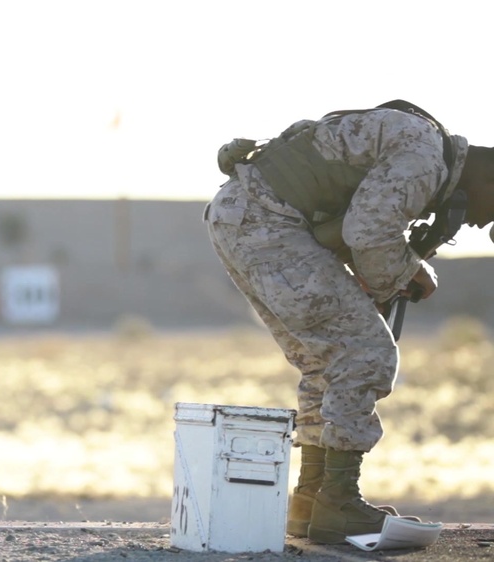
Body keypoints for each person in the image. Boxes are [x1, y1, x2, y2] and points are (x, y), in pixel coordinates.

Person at [205, 100, 494, 544]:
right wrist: (406, 272)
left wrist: (392, 272)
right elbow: (369, 234)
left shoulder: (423, 150)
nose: (481, 224)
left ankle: (310, 501)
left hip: (243, 218)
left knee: (326, 360)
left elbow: (361, 228)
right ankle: (337, 503)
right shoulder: (424, 159)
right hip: (268, 223)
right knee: (364, 351)